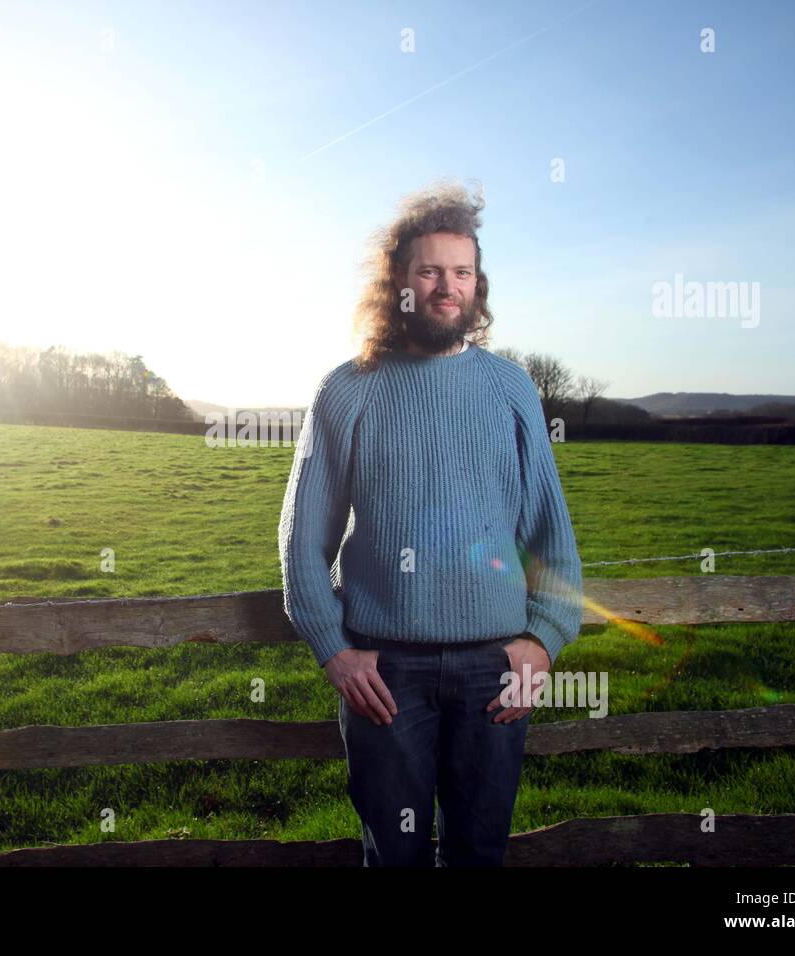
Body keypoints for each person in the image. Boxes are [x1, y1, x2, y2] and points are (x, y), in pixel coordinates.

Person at [277, 179, 583, 866]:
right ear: (400, 281)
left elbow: (550, 536)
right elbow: (303, 540)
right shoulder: (348, 389)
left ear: (477, 285)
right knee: (396, 856)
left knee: (479, 854)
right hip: (385, 676)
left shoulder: (510, 388)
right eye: (430, 270)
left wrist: (544, 642)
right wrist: (333, 647)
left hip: (496, 673)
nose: (448, 286)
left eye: (462, 272)